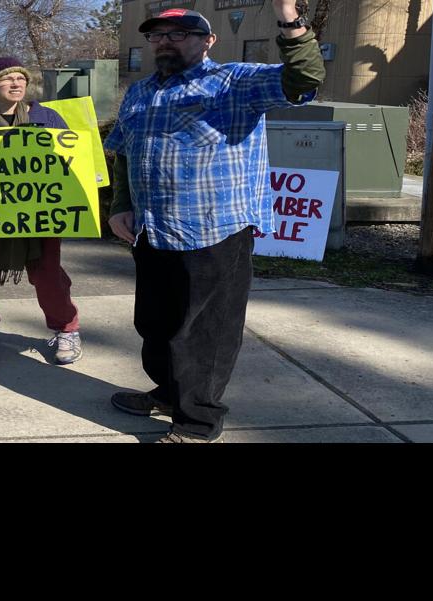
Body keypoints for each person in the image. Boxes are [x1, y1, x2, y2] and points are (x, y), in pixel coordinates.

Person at [104, 5, 323, 442]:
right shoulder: (141, 91)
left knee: (205, 332)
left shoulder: (236, 82)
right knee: (156, 323)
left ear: (208, 41)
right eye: (158, 35)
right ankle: (168, 393)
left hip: (215, 230)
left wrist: (289, 19)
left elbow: (303, 81)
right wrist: (120, 205)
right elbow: (124, 151)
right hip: (153, 227)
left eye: (180, 33)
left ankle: (197, 423)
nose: (166, 40)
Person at [0, 57, 82, 369]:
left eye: (20, 78)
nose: (17, 84)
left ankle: (67, 328)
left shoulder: (47, 117)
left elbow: (70, 163)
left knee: (48, 273)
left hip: (39, 212)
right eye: (7, 79)